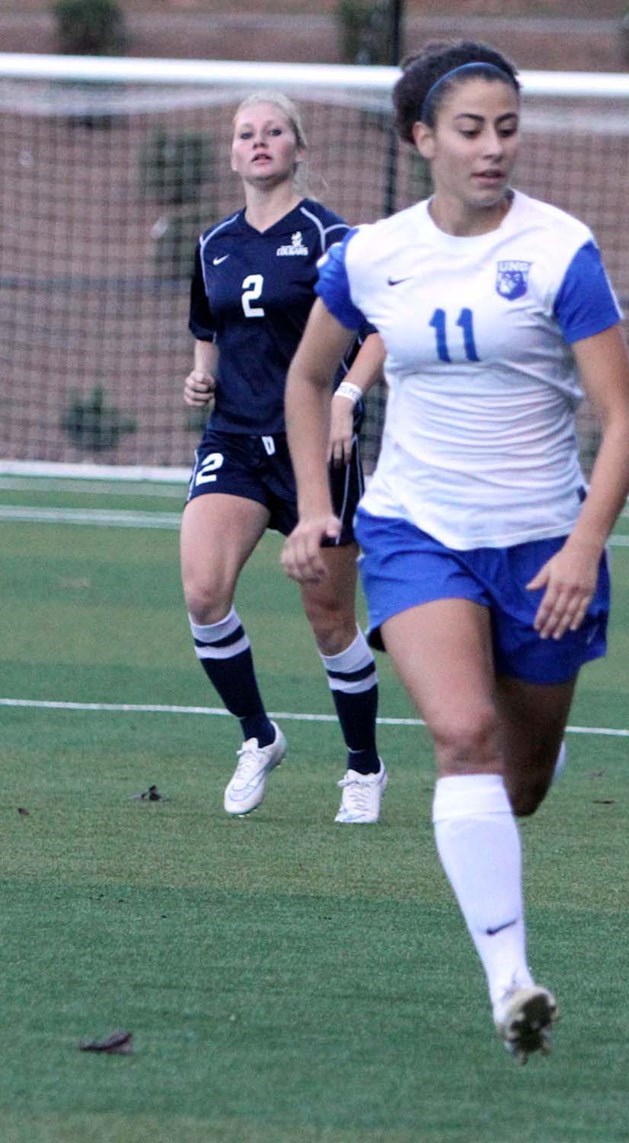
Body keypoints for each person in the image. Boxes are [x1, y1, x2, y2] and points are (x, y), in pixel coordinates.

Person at [279, 40, 629, 1062]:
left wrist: (583, 545)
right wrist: (313, 509)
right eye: (471, 129)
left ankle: (531, 748)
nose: (493, 148)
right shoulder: (372, 255)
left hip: (542, 547)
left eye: (508, 128)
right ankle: (511, 981)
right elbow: (307, 379)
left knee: (518, 785)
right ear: (422, 139)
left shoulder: (561, 251)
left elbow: (622, 417)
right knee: (461, 734)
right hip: (414, 531)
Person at [182, 91, 387, 824]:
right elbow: (209, 325)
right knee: (204, 591)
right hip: (234, 440)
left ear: (299, 147)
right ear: (233, 153)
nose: (260, 142)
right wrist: (201, 374)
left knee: (329, 621)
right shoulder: (213, 243)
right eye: (247, 134)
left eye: (274, 131)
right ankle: (258, 736)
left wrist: (347, 396)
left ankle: (363, 766)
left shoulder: (333, 237)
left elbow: (380, 329)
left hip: (314, 451)